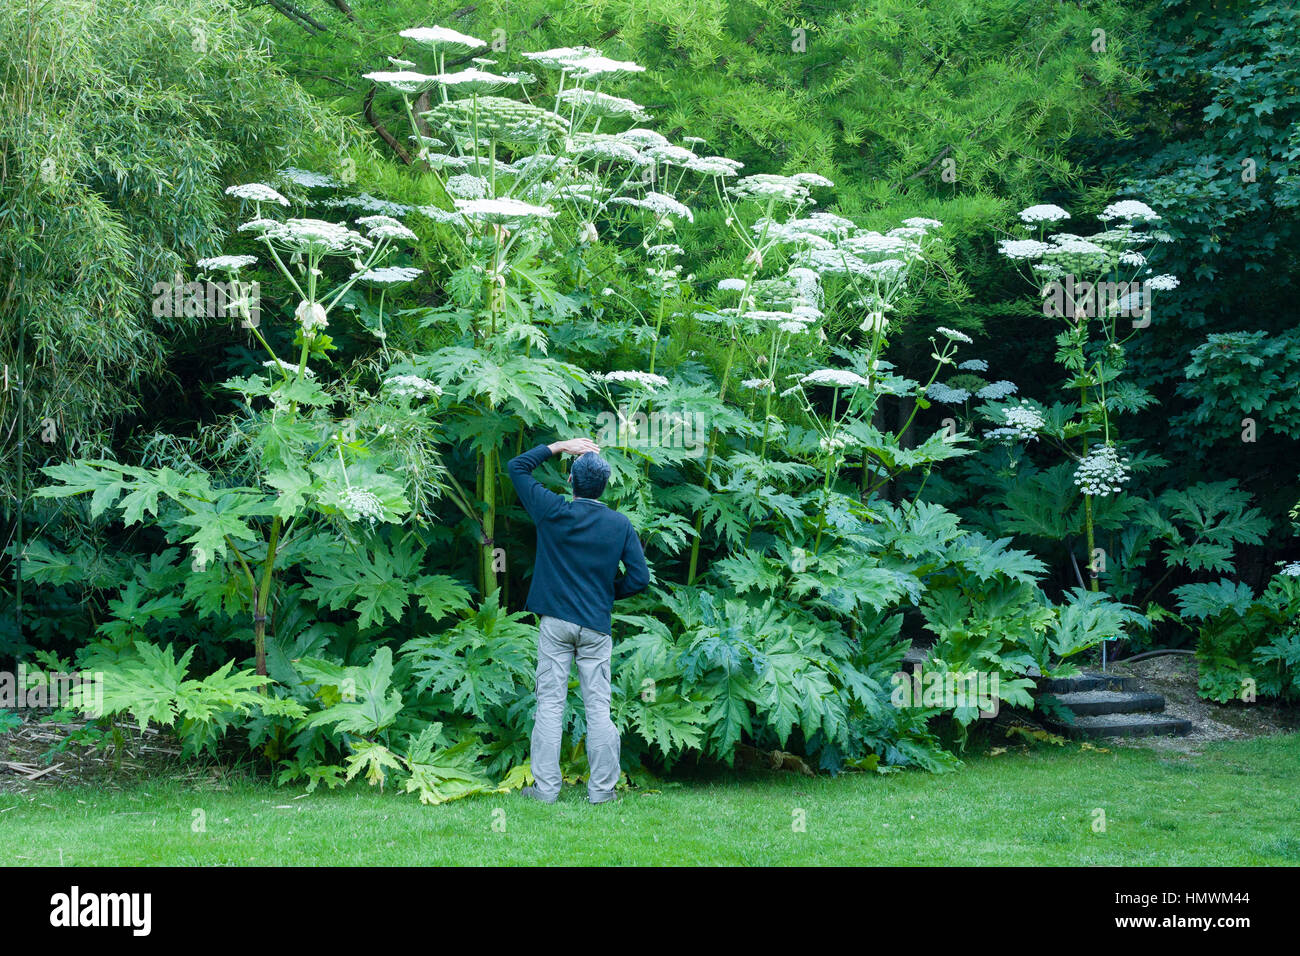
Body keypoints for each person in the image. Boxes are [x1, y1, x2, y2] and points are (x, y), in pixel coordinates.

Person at [506, 437, 649, 804]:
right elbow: (639, 578)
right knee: (598, 705)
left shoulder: (552, 511)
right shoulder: (620, 525)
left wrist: (558, 446)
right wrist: (605, 593)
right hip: (596, 627)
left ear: (570, 480)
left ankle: (546, 790)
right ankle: (602, 792)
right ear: (605, 485)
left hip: (555, 624)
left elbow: (517, 467)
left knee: (550, 704)